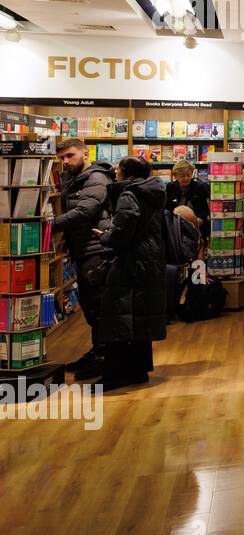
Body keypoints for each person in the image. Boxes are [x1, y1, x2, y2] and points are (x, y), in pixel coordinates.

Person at [92, 156, 168, 391]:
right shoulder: (153, 192)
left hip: (131, 261)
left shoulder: (129, 194)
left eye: (118, 169)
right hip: (150, 259)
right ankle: (138, 369)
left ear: (127, 173)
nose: (115, 172)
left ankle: (116, 375)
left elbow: (123, 231)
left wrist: (104, 235)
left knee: (120, 315)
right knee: (140, 317)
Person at [52, 139, 116, 379]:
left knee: (98, 306)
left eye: (70, 155)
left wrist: (49, 225)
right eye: (62, 158)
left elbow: (85, 211)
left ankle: (104, 357)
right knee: (91, 306)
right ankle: (98, 352)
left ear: (85, 154)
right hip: (84, 249)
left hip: (96, 250)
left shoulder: (96, 178)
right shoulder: (76, 179)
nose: (65, 161)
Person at [164, 205, 205, 322]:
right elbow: (198, 261)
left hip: (178, 266)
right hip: (187, 266)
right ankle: (195, 304)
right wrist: (201, 276)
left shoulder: (170, 231)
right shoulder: (196, 237)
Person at [165, 160, 210, 239]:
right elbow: (167, 209)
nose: (186, 178)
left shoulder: (200, 187)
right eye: (182, 176)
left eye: (188, 175)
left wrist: (200, 220)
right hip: (175, 228)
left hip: (196, 227)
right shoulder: (170, 187)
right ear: (175, 176)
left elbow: (205, 209)